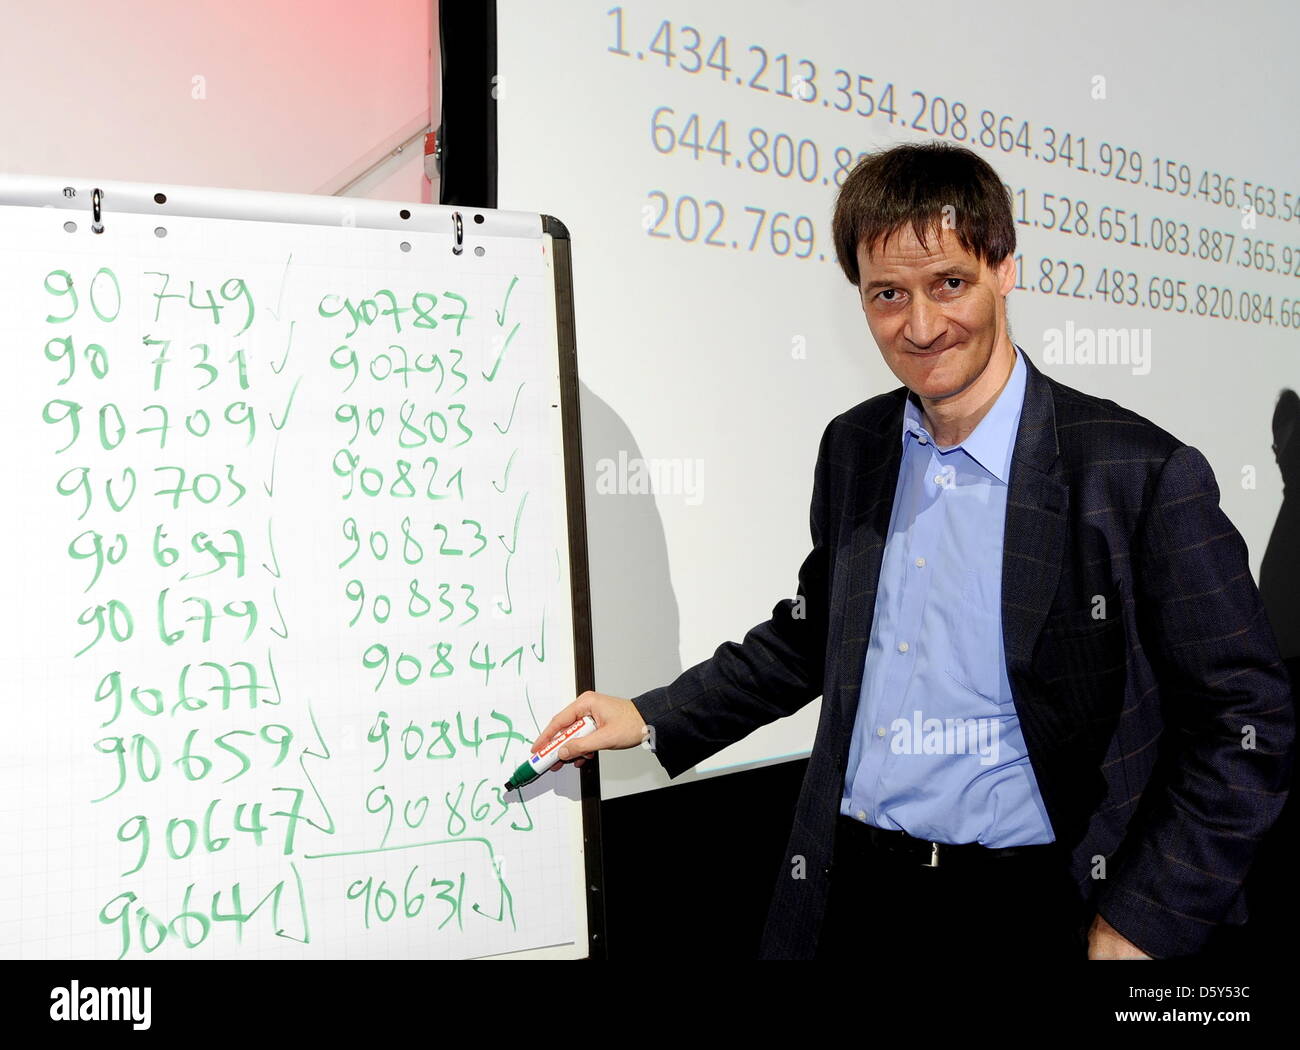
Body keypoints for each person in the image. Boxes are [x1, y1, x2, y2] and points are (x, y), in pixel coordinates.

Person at [530, 141, 1295, 961]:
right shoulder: (856, 446)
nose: (922, 326)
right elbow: (813, 633)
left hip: (1035, 907)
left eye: (950, 284)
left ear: (1004, 267)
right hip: (852, 895)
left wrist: (1142, 919)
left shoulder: (1134, 474)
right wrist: (650, 715)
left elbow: (1246, 719)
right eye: (888, 294)